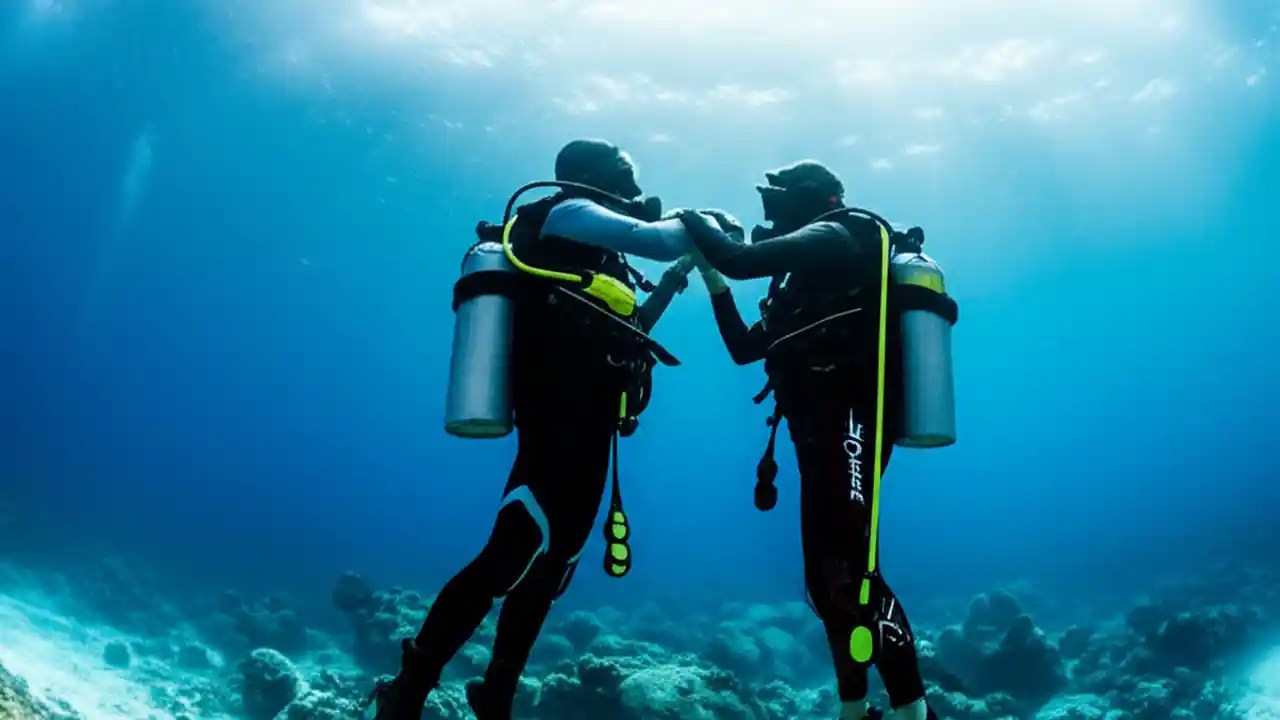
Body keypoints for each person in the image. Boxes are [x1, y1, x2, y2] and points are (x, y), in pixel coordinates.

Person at [365, 139, 702, 720]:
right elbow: (661, 234)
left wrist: (673, 280)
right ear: (591, 177)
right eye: (623, 173)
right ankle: (409, 690)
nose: (632, 184)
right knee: (508, 556)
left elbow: (631, 329)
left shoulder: (597, 253)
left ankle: (495, 695)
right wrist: (704, 228)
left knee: (555, 565)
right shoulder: (566, 213)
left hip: (592, 422)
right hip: (556, 413)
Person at [673, 160, 941, 720]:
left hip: (851, 421)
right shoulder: (800, 281)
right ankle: (854, 708)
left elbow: (740, 258)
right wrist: (712, 280)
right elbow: (747, 349)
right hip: (812, 435)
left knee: (852, 570)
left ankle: (914, 711)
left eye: (776, 202)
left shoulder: (842, 231)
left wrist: (690, 220)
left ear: (810, 199)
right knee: (824, 583)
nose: (769, 215)